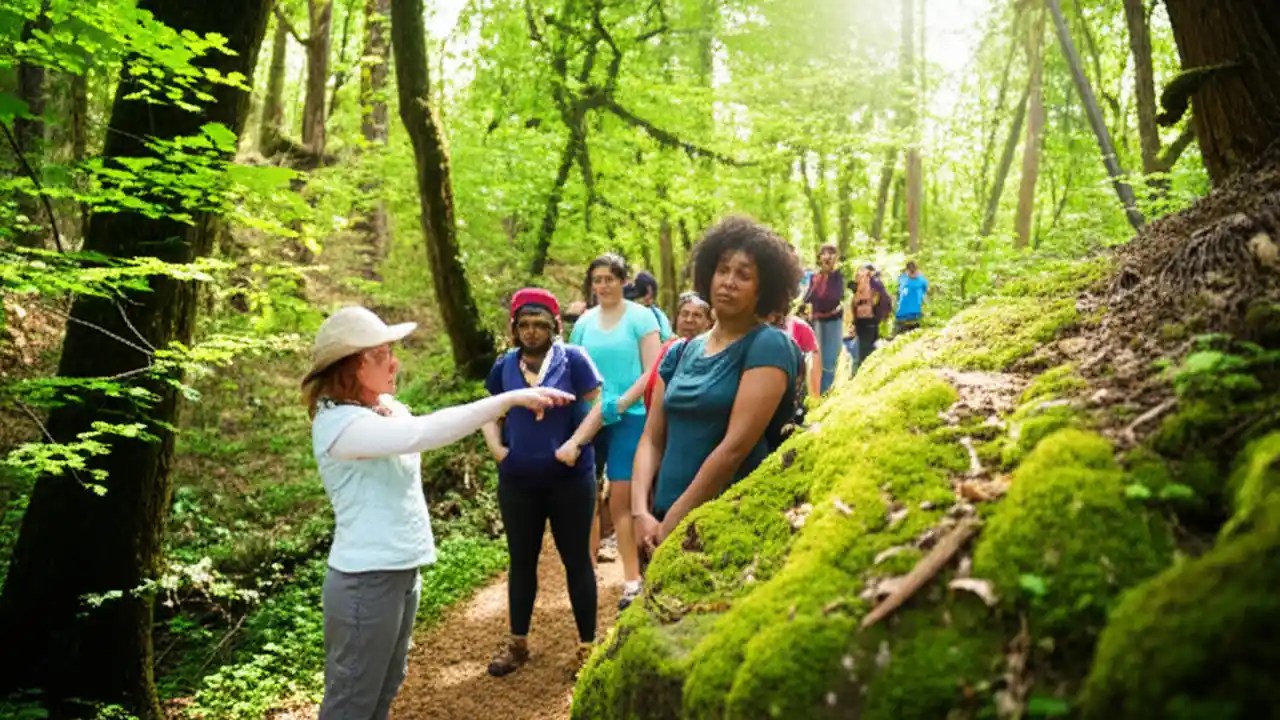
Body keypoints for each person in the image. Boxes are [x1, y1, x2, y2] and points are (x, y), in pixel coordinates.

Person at [304, 306, 571, 719]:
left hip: (398, 571)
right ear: (352, 367)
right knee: (352, 700)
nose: (395, 363)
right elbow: (423, 433)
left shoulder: (382, 410)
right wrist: (509, 400)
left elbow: (416, 423)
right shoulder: (339, 424)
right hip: (364, 581)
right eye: (381, 356)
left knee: (385, 686)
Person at [631, 216, 800, 553]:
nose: (728, 282)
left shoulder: (768, 346)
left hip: (728, 523)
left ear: (762, 289)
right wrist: (640, 512)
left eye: (744, 275)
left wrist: (676, 520)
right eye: (723, 270)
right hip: (662, 521)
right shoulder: (679, 352)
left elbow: (735, 448)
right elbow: (652, 438)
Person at [481, 289, 604, 677]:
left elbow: (602, 403)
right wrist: (497, 450)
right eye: (525, 325)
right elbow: (488, 410)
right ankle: (517, 644)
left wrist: (574, 443)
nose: (532, 332)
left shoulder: (574, 360)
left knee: (576, 561)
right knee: (521, 562)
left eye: (541, 324)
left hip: (570, 479)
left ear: (555, 327)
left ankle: (587, 647)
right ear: (514, 328)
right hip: (517, 482)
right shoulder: (503, 366)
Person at [570, 254, 661, 609]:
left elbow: (652, 369)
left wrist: (621, 403)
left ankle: (632, 579)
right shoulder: (584, 323)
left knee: (620, 499)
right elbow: (574, 369)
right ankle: (586, 575)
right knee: (586, 498)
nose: (603, 285)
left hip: (631, 415)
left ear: (623, 281)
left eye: (610, 278)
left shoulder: (642, 317)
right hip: (590, 417)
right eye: (598, 280)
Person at [642, 291, 713, 409]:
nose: (689, 320)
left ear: (708, 323)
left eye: (697, 315)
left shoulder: (711, 353)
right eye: (684, 314)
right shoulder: (667, 349)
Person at [802, 243, 844, 394]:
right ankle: (813, 392)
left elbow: (834, 297)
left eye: (831, 253)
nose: (827, 256)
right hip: (818, 321)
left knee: (830, 359)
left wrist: (827, 275)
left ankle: (825, 393)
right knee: (816, 358)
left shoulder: (837, 276)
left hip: (833, 321)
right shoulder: (814, 277)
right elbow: (808, 298)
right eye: (824, 253)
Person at [850, 264, 894, 367]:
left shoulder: (867, 284)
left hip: (864, 319)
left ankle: (862, 370)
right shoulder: (876, 284)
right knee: (869, 347)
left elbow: (854, 302)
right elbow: (886, 300)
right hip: (871, 319)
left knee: (864, 349)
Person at [624, 270, 675, 340]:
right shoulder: (623, 311)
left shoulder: (658, 315)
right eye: (644, 295)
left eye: (651, 297)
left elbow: (668, 338)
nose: (648, 300)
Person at [895, 261, 929, 335]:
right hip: (902, 313)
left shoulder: (922, 280)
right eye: (911, 271)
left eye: (914, 271)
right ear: (907, 271)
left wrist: (926, 306)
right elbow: (898, 292)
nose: (912, 273)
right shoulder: (902, 278)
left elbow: (925, 293)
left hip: (916, 313)